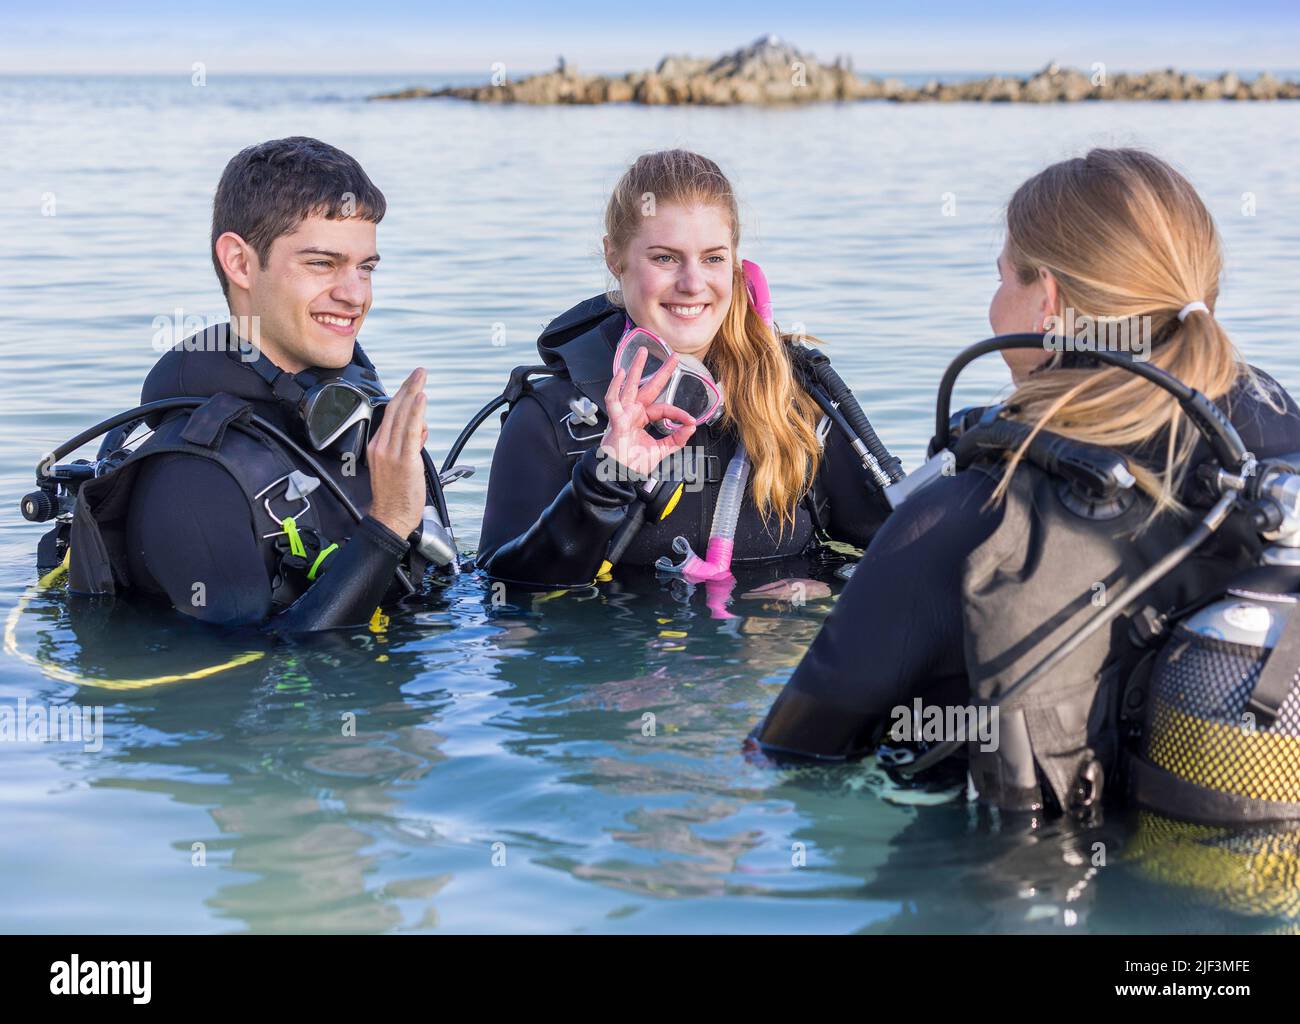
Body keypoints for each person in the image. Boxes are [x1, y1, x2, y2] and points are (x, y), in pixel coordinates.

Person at [751, 148, 1300, 815]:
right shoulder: (1271, 462)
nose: (993, 304)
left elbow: (786, 753)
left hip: (1019, 891)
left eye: (1002, 278)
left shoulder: (964, 517)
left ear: (1048, 301)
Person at [59, 137, 445, 631]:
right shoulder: (190, 476)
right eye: (322, 264)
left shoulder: (355, 424)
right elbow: (249, 677)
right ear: (240, 263)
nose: (355, 295)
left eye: (365, 268)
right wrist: (389, 522)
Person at [477, 149, 896, 591]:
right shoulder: (549, 420)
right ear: (614, 258)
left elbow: (909, 552)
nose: (693, 283)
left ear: (736, 265)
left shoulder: (800, 404)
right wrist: (607, 476)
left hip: (764, 657)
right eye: (665, 258)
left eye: (713, 258)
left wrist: (827, 590)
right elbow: (502, 594)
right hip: (617, 656)